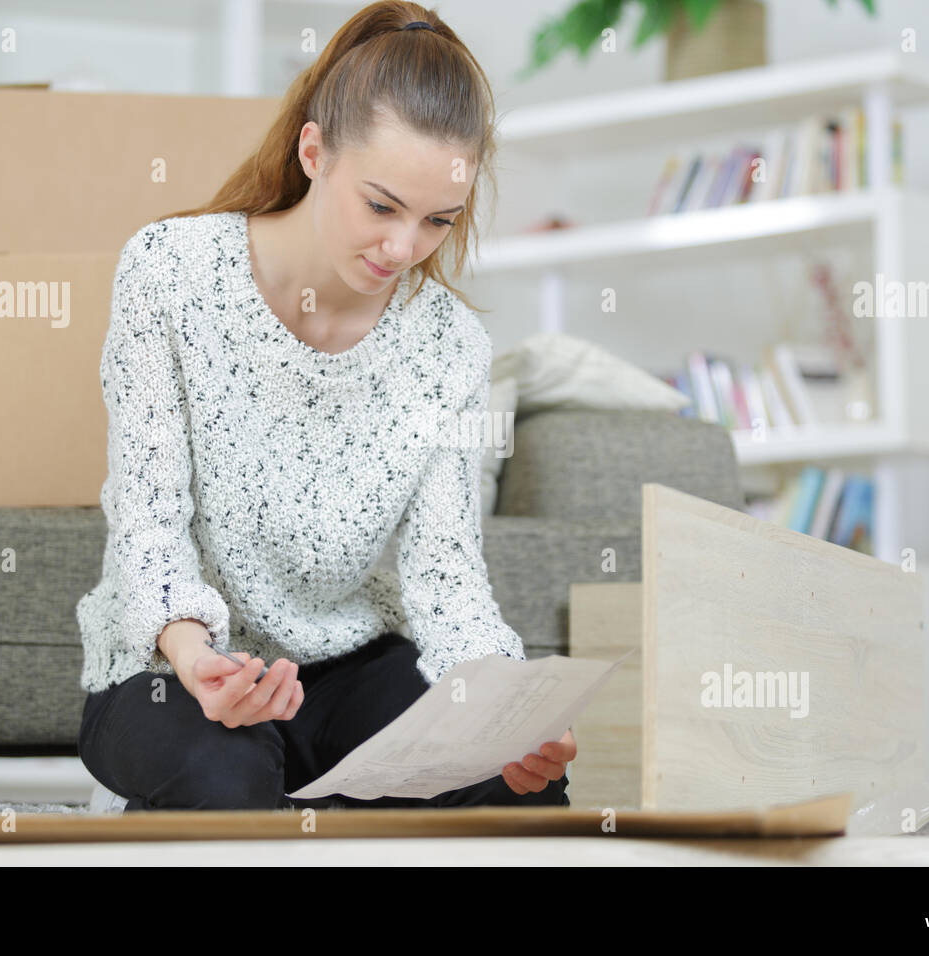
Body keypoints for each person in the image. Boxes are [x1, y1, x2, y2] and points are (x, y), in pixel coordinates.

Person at [75, 2, 576, 811]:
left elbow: (446, 576)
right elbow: (149, 521)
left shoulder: (447, 343)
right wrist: (197, 657)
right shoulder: (170, 273)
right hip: (173, 666)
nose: (404, 249)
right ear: (315, 151)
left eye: (438, 221)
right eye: (381, 206)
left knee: (513, 789)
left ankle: (312, 809)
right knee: (224, 779)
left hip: (348, 669)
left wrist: (506, 713)